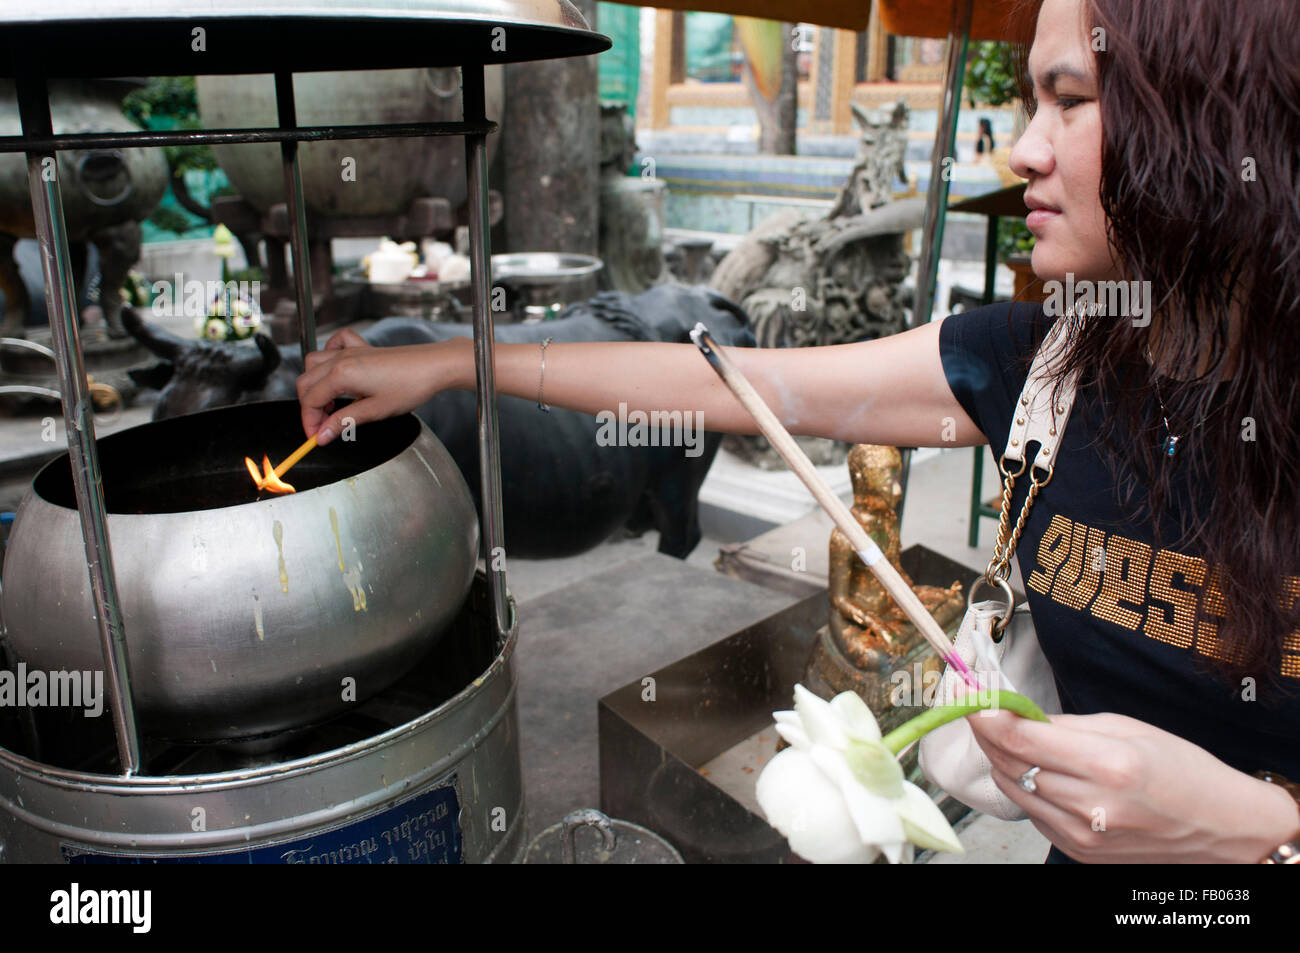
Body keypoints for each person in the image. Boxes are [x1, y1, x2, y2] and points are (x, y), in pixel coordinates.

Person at [297, 0, 1300, 864]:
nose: (1023, 148)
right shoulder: (1045, 361)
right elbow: (740, 383)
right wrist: (444, 359)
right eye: (1032, 99)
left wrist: (1256, 826)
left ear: (1216, 117)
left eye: (1070, 100)